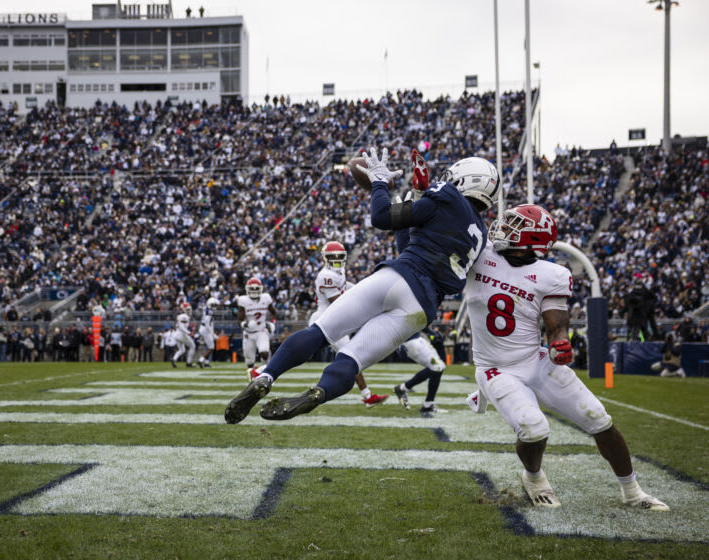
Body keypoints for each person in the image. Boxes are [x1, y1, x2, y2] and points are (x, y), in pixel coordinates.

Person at [225, 149, 497, 424]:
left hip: (399, 277)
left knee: (321, 331)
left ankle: (267, 376)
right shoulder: (480, 237)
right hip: (422, 308)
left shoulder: (447, 195)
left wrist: (379, 182)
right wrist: (412, 209)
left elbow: (381, 217)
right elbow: (409, 243)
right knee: (353, 359)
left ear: (467, 179)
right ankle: (320, 392)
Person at [465, 203, 668, 511]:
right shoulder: (480, 255)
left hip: (534, 359)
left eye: (515, 226)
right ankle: (533, 477)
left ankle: (633, 491)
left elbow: (556, 325)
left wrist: (560, 343)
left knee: (598, 418)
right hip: (495, 368)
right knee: (534, 429)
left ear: (531, 240)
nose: (503, 229)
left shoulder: (551, 274)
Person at [305, 241, 388, 407]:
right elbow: (339, 302)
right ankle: (264, 371)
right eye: (332, 257)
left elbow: (344, 287)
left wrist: (361, 289)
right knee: (303, 355)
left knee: (350, 357)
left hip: (336, 320)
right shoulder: (326, 276)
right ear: (324, 258)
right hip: (326, 320)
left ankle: (368, 396)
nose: (336, 260)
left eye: (339, 257)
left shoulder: (338, 272)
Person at [392, 330, 446, 417]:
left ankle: (428, 404)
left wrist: (431, 332)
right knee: (437, 367)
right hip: (411, 342)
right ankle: (403, 388)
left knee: (440, 367)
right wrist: (431, 332)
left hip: (417, 338)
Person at [238, 277, 277, 378]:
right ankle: (252, 378)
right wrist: (244, 324)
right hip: (248, 333)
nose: (254, 291)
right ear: (247, 289)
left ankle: (266, 373)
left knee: (264, 352)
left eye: (256, 289)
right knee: (249, 362)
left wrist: (272, 323)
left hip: (261, 330)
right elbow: (239, 320)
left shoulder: (266, 298)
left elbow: (274, 313)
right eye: (252, 288)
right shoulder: (243, 301)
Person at [171, 302, 197, 367]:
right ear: (183, 309)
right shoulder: (184, 316)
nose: (189, 311)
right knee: (192, 346)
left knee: (182, 350)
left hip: (177, 334)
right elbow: (181, 327)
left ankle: (174, 359)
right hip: (181, 334)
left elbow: (182, 325)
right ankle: (189, 363)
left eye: (189, 309)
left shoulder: (182, 316)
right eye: (187, 309)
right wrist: (189, 333)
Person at [197, 297, 219, 368]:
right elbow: (207, 323)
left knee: (209, 346)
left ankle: (206, 363)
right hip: (205, 329)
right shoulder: (209, 311)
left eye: (215, 305)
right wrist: (213, 334)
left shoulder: (206, 308)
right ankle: (201, 360)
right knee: (211, 347)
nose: (214, 307)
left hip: (203, 328)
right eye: (213, 305)